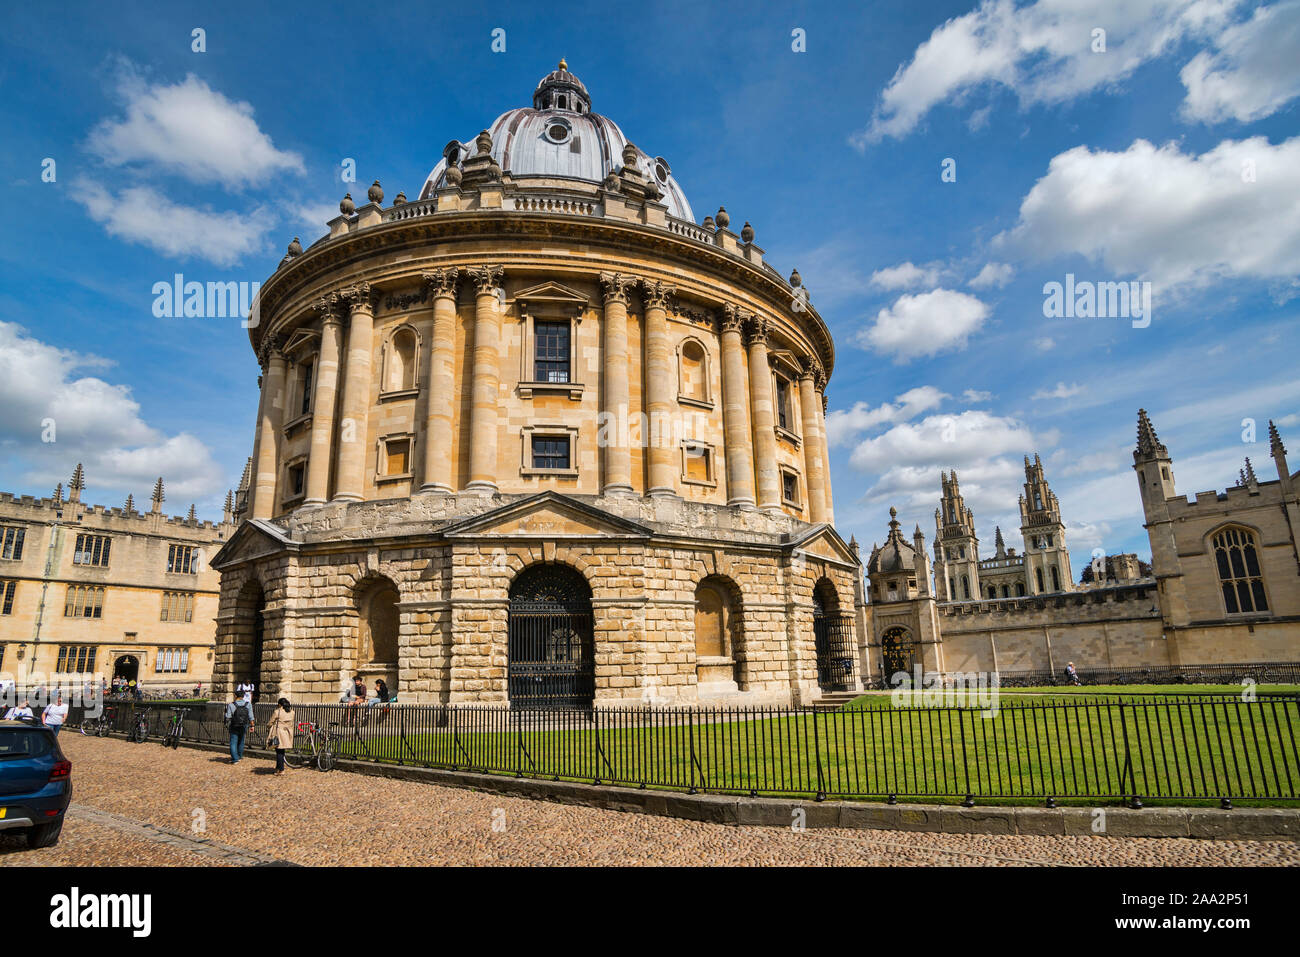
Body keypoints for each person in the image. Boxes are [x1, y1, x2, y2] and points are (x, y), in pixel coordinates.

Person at [265, 698, 295, 775]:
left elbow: (271, 722)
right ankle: (278, 768)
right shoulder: (292, 712)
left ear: (280, 704)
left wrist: (268, 727)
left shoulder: (277, 712)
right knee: (282, 751)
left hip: (278, 733)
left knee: (279, 752)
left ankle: (281, 770)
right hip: (287, 733)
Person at [225, 689, 254, 764]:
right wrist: (252, 725)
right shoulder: (248, 704)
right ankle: (239, 756)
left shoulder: (231, 705)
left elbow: (228, 716)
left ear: (235, 696)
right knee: (241, 741)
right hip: (244, 725)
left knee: (233, 742)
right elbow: (251, 716)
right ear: (243, 696)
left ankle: (235, 758)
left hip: (234, 725)